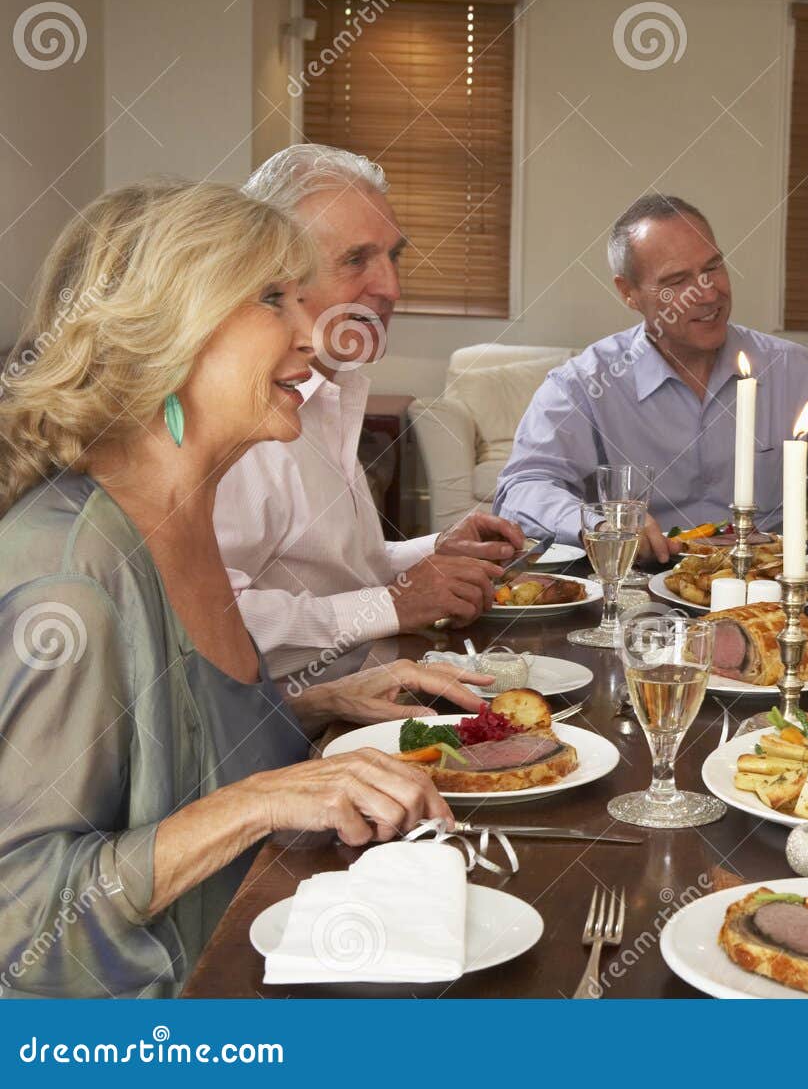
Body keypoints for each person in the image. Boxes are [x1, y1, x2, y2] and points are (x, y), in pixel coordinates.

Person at [0, 181, 489, 997]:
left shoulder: (187, 516)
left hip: (275, 940)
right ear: (165, 330)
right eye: (273, 300)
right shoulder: (68, 576)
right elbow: (22, 921)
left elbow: (176, 746)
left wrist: (321, 701)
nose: (312, 329)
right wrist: (264, 800)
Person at [215, 145, 524, 679]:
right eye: (356, 260)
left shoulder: (335, 391)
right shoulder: (241, 425)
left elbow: (329, 569)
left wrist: (438, 548)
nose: (392, 288)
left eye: (393, 256)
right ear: (273, 280)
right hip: (295, 730)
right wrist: (395, 605)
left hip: (371, 684)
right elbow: (213, 622)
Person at [494, 193, 808, 560]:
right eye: (677, 281)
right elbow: (521, 489)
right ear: (628, 293)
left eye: (713, 268)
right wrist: (601, 525)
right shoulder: (584, 383)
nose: (708, 293)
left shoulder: (798, 371)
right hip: (641, 592)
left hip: (765, 596)